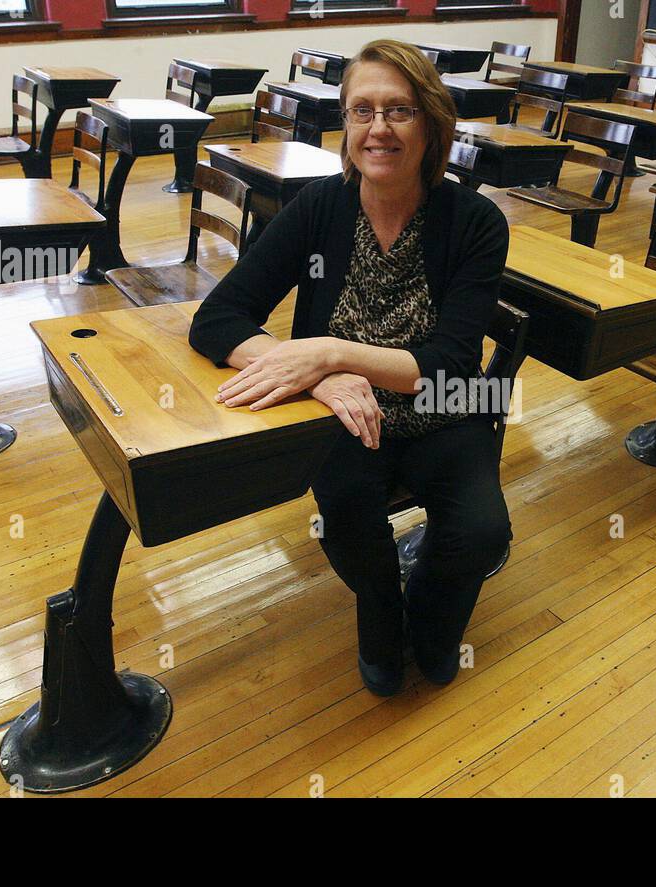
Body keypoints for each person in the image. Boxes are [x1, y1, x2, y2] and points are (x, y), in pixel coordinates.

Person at [189, 39, 511, 696]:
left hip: (444, 413)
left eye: (399, 110)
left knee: (482, 532)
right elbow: (217, 319)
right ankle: (380, 605)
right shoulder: (319, 207)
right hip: (343, 417)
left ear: (432, 124)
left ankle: (430, 607)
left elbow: (451, 364)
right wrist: (316, 375)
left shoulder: (474, 221)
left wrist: (330, 351)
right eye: (362, 110)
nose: (379, 128)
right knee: (350, 523)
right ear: (345, 124)